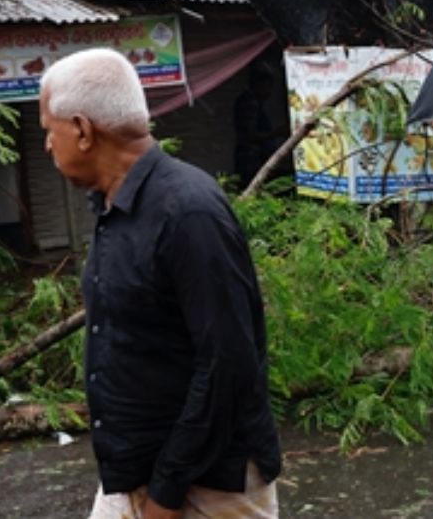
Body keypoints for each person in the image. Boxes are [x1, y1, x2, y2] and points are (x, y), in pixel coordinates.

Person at [38, 48, 282, 518]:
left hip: (207, 485)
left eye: (50, 130)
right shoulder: (116, 208)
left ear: (84, 131)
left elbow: (228, 364)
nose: (48, 146)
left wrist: (167, 493)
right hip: (135, 474)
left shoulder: (188, 213)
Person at [234, 68, 290, 187]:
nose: (269, 91)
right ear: (258, 85)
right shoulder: (250, 103)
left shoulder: (252, 102)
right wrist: (276, 132)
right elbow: (250, 134)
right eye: (267, 87)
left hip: (251, 157)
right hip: (251, 158)